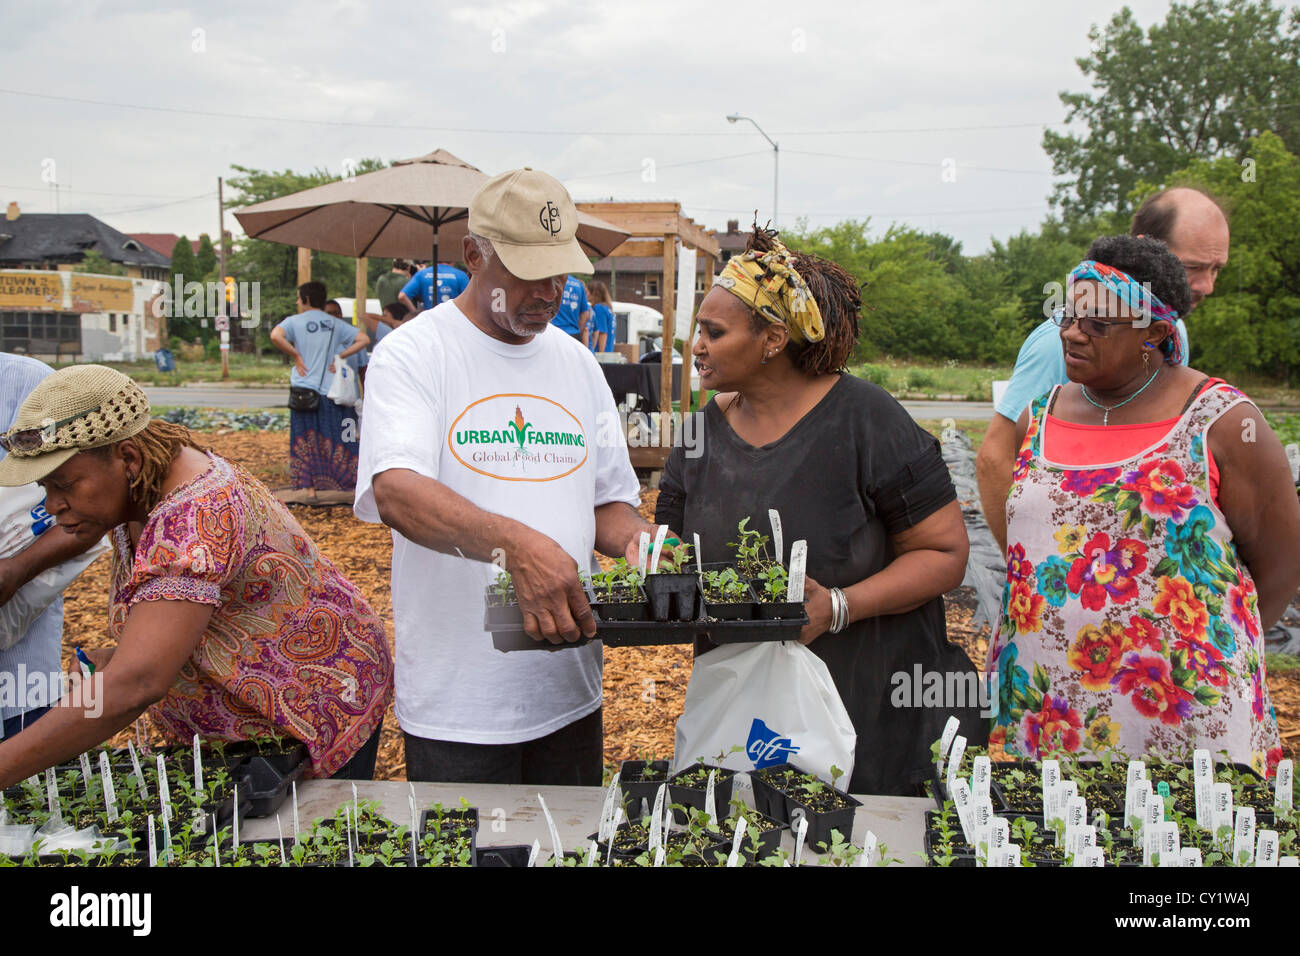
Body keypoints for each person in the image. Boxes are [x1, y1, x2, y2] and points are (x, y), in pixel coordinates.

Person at [654, 225, 985, 796]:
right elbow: (673, 547)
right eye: (698, 331)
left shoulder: (865, 420)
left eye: (714, 332)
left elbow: (946, 552)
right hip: (746, 708)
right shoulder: (698, 435)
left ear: (773, 339)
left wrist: (836, 606)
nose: (697, 347)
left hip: (871, 701)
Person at [355, 167, 657, 787]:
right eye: (527, 271)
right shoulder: (415, 354)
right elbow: (397, 493)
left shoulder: (577, 364)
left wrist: (641, 544)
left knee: (563, 854)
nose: (549, 290)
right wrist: (515, 547)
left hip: (569, 689)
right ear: (473, 255)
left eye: (561, 272)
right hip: (460, 704)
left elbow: (606, 502)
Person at [986, 235, 1300, 773]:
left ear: (1154, 333)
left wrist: (1209, 647)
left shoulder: (1221, 422)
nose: (1071, 334)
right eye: (1068, 316)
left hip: (1182, 713)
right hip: (1046, 707)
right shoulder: (1038, 416)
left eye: (1097, 324)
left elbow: (1281, 562)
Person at [0, 366, 394, 786]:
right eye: (46, 488)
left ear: (128, 458)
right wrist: (120, 658)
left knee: (309, 842)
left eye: (65, 484)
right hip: (248, 714)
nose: (53, 504)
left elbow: (137, 683)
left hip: (311, 704)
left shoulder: (194, 519)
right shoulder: (142, 482)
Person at [978, 187, 1231, 555]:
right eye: (1192, 267)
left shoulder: (1171, 331)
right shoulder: (1066, 341)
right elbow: (994, 459)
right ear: (1146, 248)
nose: (1206, 285)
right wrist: (1026, 564)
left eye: (1216, 270)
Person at [0, 354, 99, 740]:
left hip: (16, 669)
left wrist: (18, 569)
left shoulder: (27, 384)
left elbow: (90, 506)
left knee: (24, 777)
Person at [270, 281, 369, 493]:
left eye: (299, 298)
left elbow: (275, 336)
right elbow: (363, 339)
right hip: (331, 391)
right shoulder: (335, 324)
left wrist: (295, 355)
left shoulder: (294, 321)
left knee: (305, 439)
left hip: (303, 390)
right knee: (338, 437)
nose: (298, 301)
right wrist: (340, 356)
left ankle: (308, 486)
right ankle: (345, 484)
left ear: (305, 299)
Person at [325, 299, 368, 391]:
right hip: (327, 394)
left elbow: (363, 370)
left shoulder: (355, 338)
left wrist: (366, 394)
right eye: (329, 313)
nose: (334, 317)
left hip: (350, 396)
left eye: (337, 313)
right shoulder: (319, 339)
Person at [397, 261, 469, 315]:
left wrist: (416, 314)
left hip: (430, 319)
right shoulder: (460, 275)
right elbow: (470, 299)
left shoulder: (422, 274)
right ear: (453, 260)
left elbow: (402, 296)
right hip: (452, 319)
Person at [553, 275, 593, 345]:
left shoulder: (553, 281)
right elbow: (584, 314)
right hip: (573, 335)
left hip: (554, 333)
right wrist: (578, 330)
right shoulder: (578, 284)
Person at [588, 280, 614, 353]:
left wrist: (600, 355)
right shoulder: (608, 308)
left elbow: (602, 333)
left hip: (601, 353)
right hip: (609, 352)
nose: (585, 294)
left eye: (587, 291)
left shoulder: (599, 308)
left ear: (594, 293)